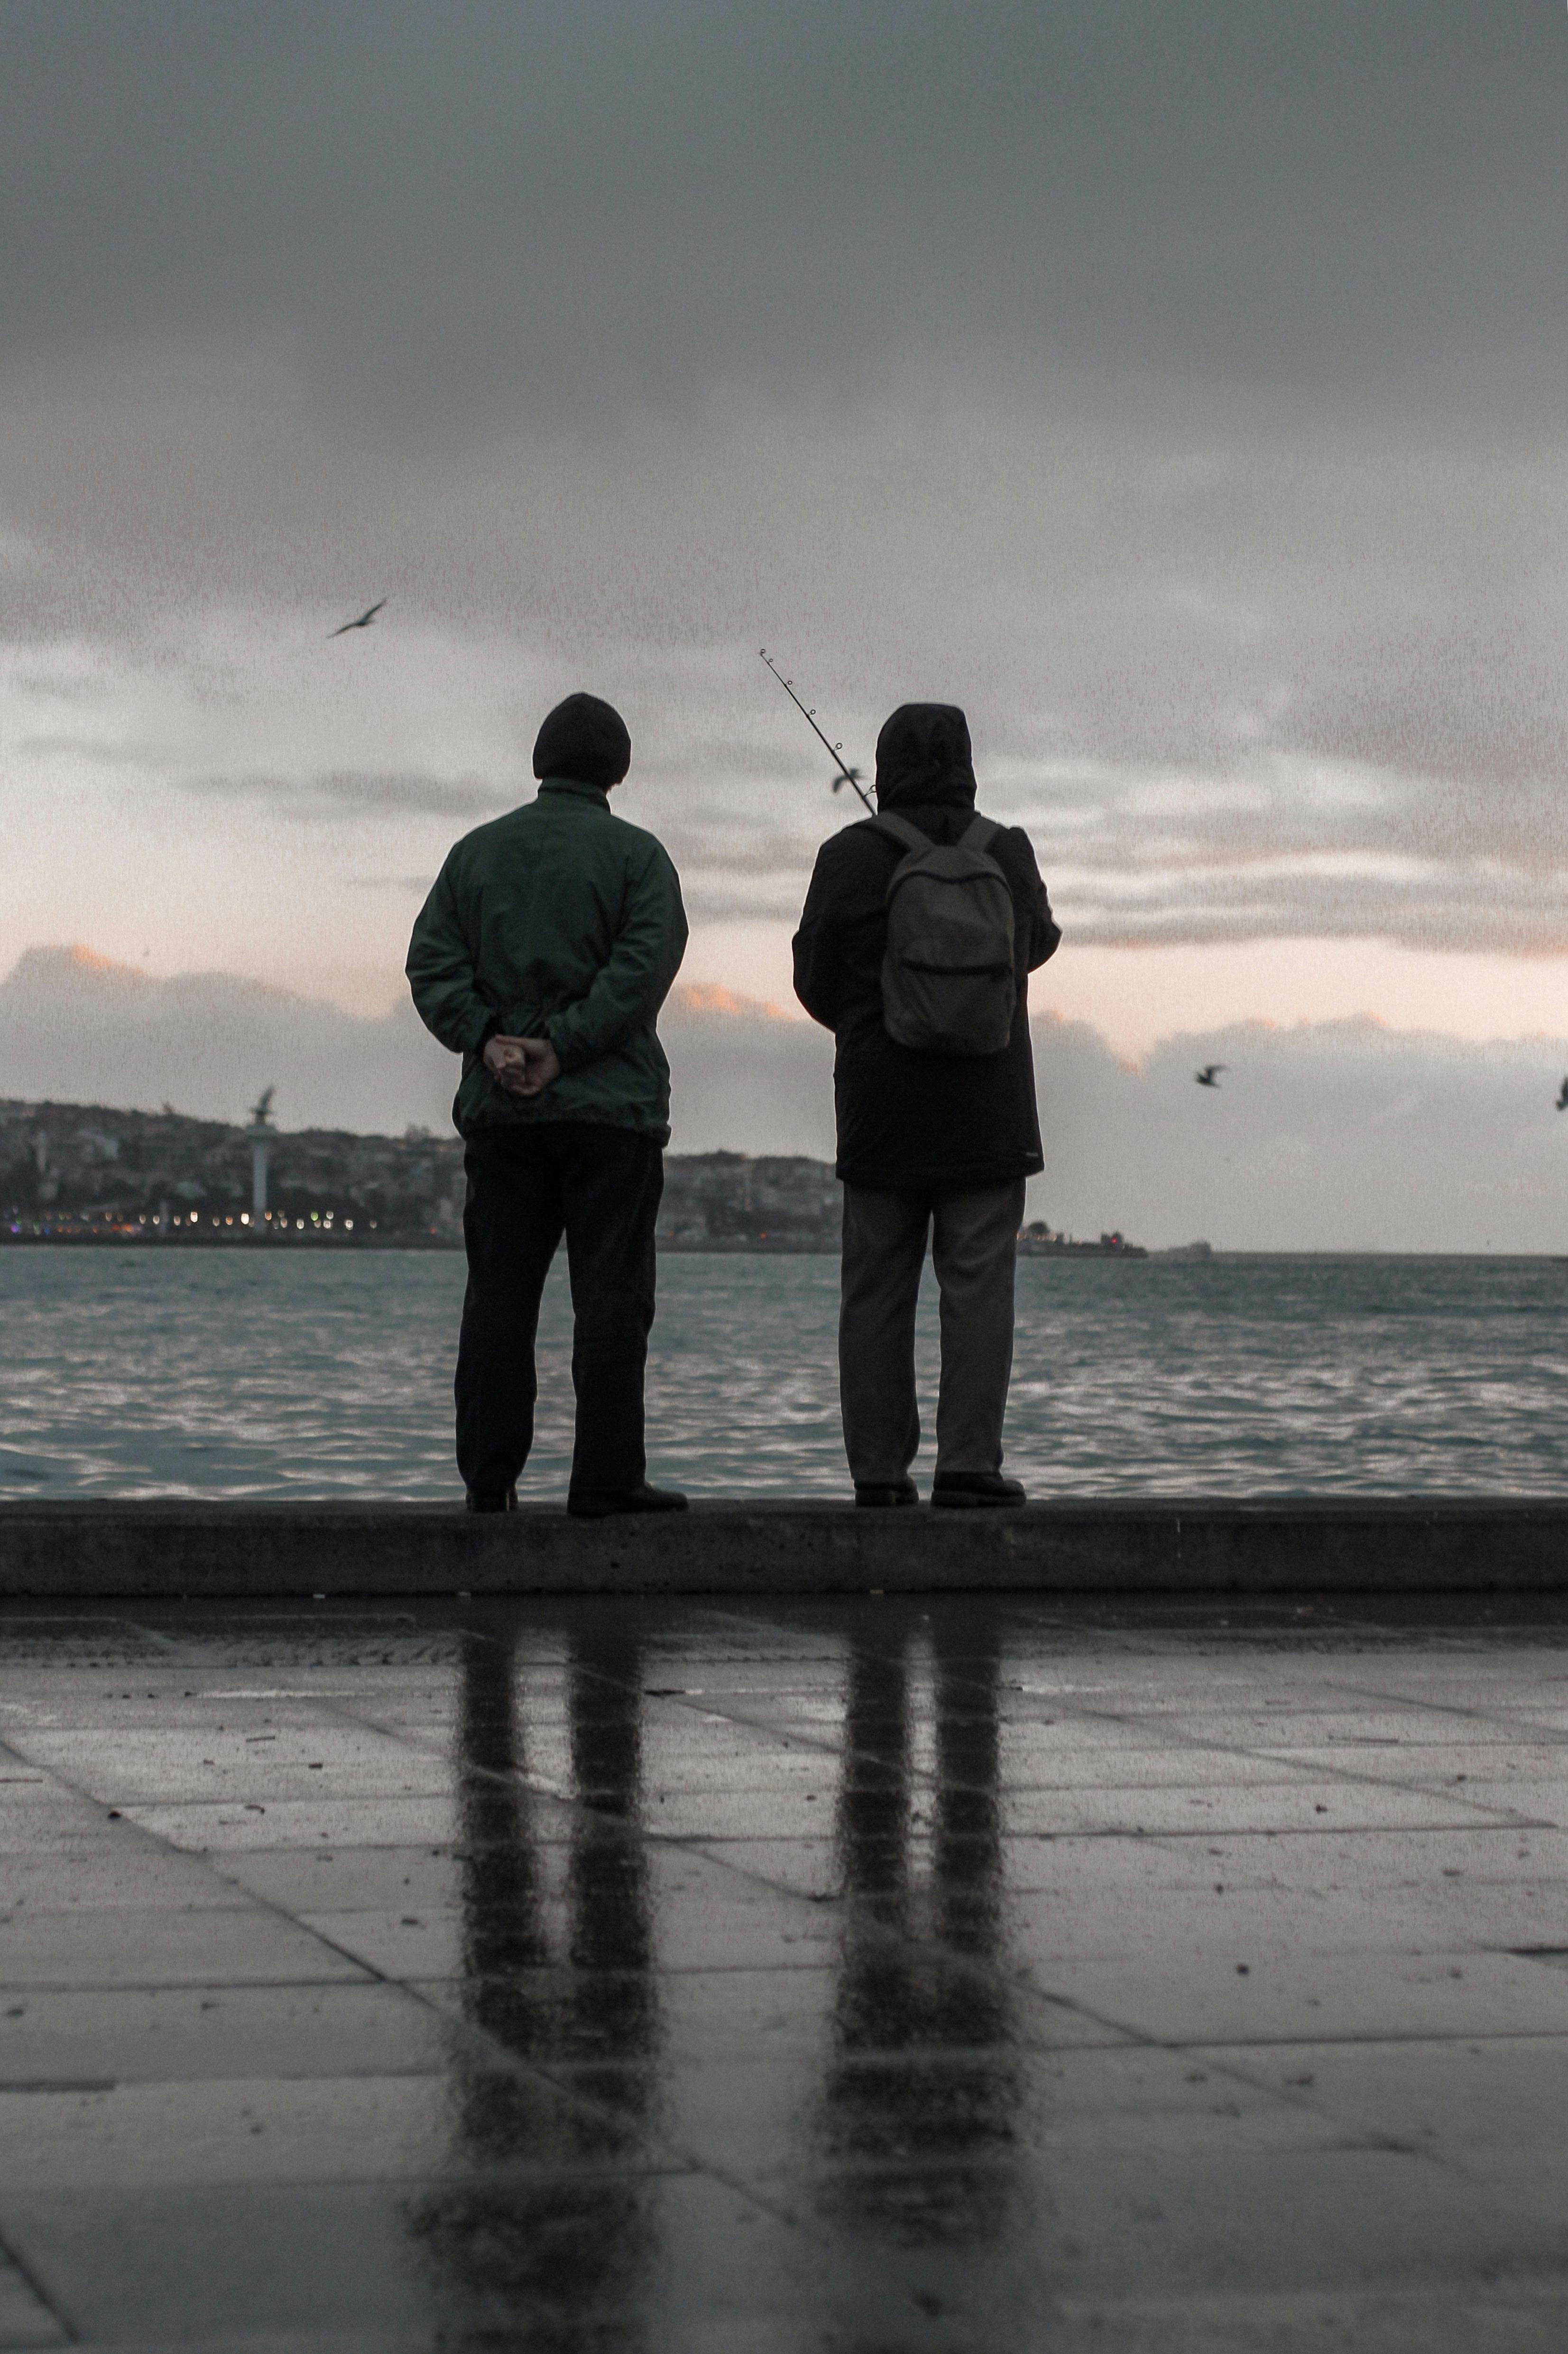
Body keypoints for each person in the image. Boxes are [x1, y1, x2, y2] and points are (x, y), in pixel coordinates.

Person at [406, 691, 689, 1518]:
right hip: (612, 1117)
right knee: (610, 1300)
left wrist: (490, 1037)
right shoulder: (639, 857)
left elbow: (431, 963)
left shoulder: (475, 854)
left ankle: (488, 1481)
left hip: (504, 1113)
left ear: (540, 760)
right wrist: (565, 1045)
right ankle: (604, 1481)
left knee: (499, 1298)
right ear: (617, 769)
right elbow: (640, 972)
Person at [792, 702, 1060, 1507]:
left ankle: (879, 1473)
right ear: (968, 764)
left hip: (881, 1107)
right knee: (977, 1285)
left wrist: (870, 1023)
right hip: (988, 1106)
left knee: (876, 1290)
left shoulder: (850, 853)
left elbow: (812, 976)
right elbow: (1038, 943)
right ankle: (968, 1466)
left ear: (883, 767)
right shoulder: (1004, 850)